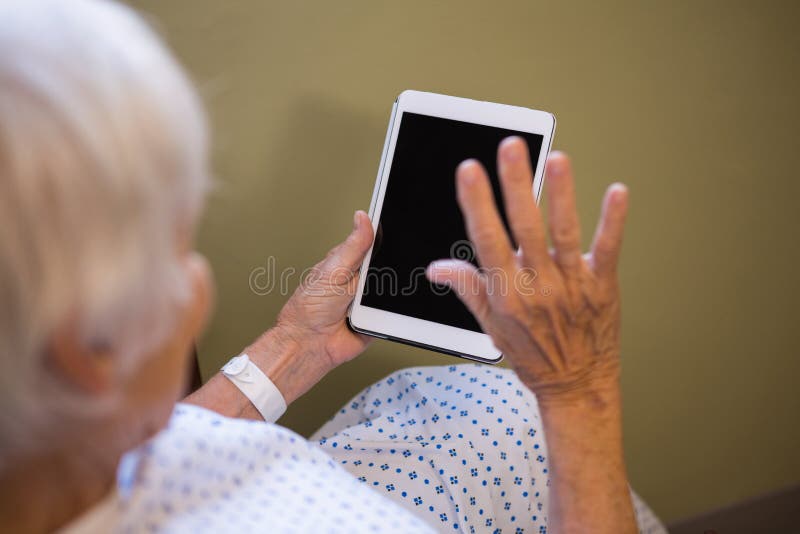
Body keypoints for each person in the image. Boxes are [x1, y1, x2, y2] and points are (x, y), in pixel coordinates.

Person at [0, 1, 666, 533]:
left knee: (498, 403)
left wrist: (299, 345)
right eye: (177, 254)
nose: (198, 282)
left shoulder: (56, 466)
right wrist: (581, 391)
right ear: (88, 354)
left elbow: (133, 457)